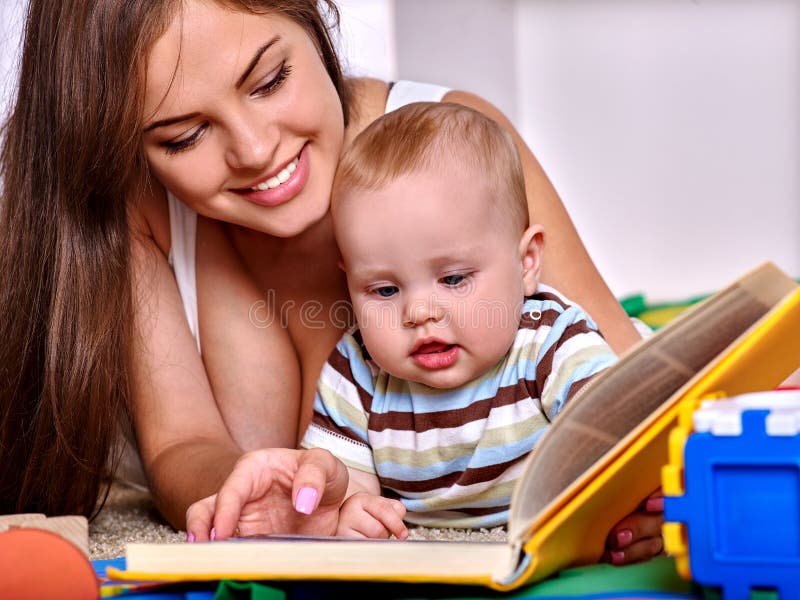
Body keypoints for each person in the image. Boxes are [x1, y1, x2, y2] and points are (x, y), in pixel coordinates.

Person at [0, 0, 660, 565]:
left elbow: (631, 380)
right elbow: (180, 443)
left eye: (269, 81)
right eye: (185, 136)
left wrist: (648, 483)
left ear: (312, 24)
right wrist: (255, 492)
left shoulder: (457, 148)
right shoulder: (144, 211)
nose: (255, 149)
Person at [187, 100, 622, 542]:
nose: (419, 313)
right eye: (385, 290)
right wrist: (350, 510)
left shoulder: (552, 343)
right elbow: (347, 483)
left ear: (526, 261)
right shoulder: (357, 370)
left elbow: (622, 428)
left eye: (453, 279)